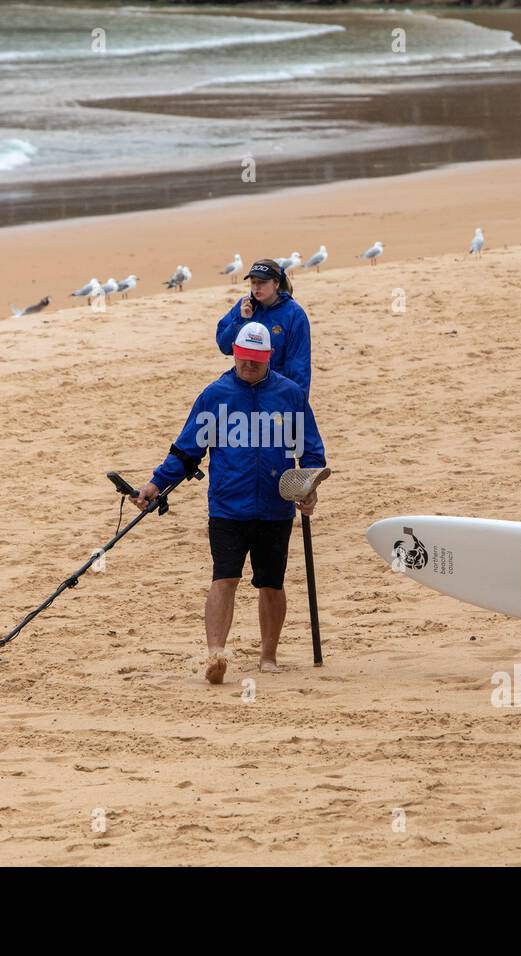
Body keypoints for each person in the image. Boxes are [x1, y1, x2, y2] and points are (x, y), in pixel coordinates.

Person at [133, 321, 326, 684]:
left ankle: (268, 656)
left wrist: (309, 487)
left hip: (275, 506)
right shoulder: (215, 395)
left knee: (272, 582)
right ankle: (215, 654)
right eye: (243, 359)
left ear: (268, 356)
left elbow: (311, 451)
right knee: (225, 577)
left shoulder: (290, 395)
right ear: (234, 353)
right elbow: (187, 451)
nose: (248, 366)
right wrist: (155, 483)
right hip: (227, 506)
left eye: (256, 360)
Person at [215, 258, 312, 397]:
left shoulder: (294, 314)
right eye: (253, 282)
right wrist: (241, 320)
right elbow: (225, 346)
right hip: (244, 386)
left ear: (276, 283)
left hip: (276, 388)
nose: (256, 287)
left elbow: (299, 363)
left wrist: (297, 400)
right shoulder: (244, 306)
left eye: (262, 282)